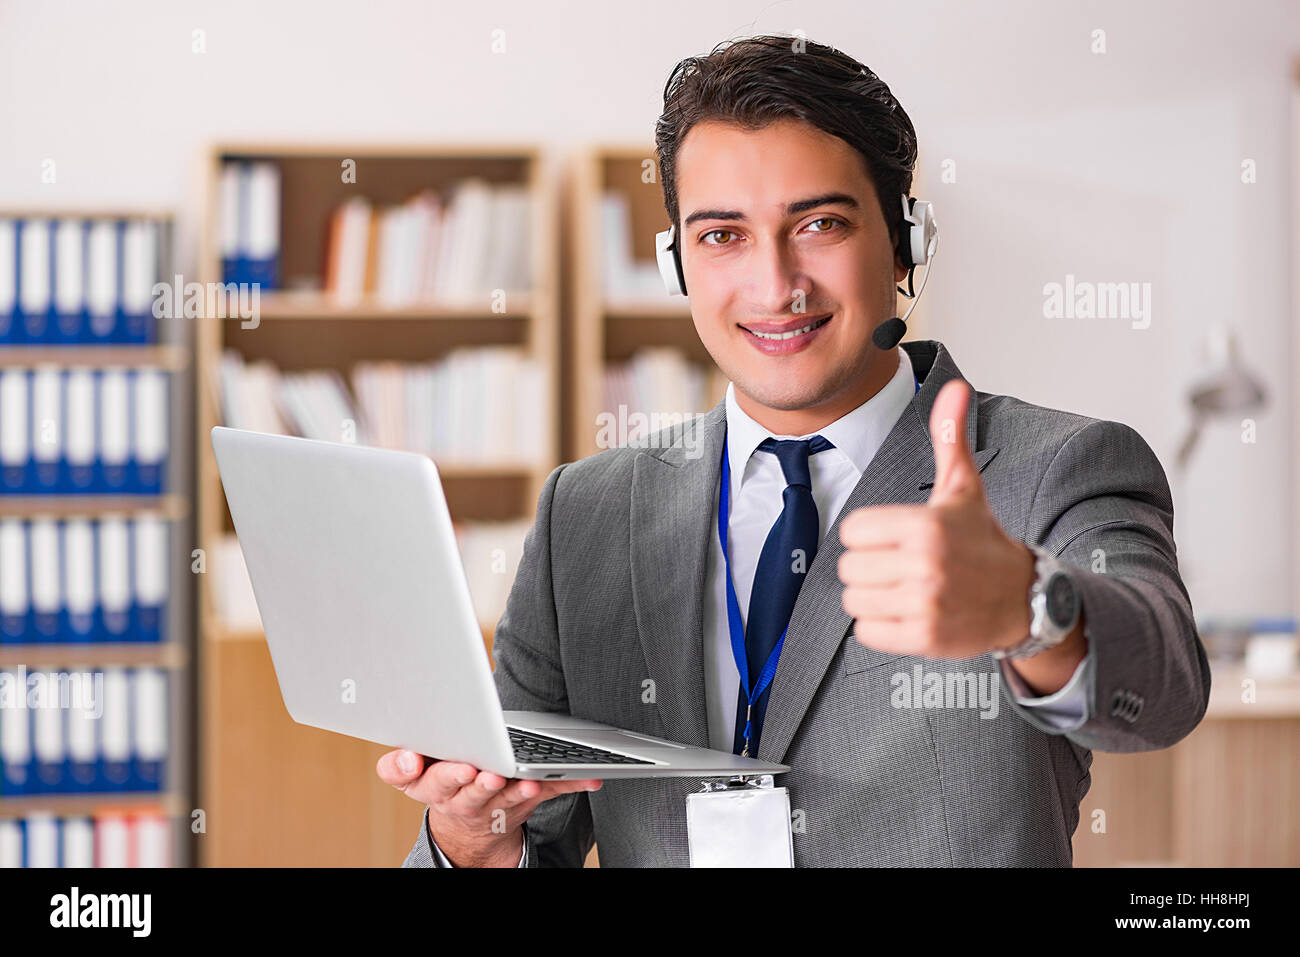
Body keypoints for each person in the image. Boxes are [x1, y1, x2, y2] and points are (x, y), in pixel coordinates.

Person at [378, 35, 1209, 867]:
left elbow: (1163, 688)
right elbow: (527, 831)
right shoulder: (585, 516)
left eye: (819, 223)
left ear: (905, 241)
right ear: (677, 265)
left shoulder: (1055, 466)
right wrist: (466, 836)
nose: (776, 285)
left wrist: (1033, 606)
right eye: (721, 236)